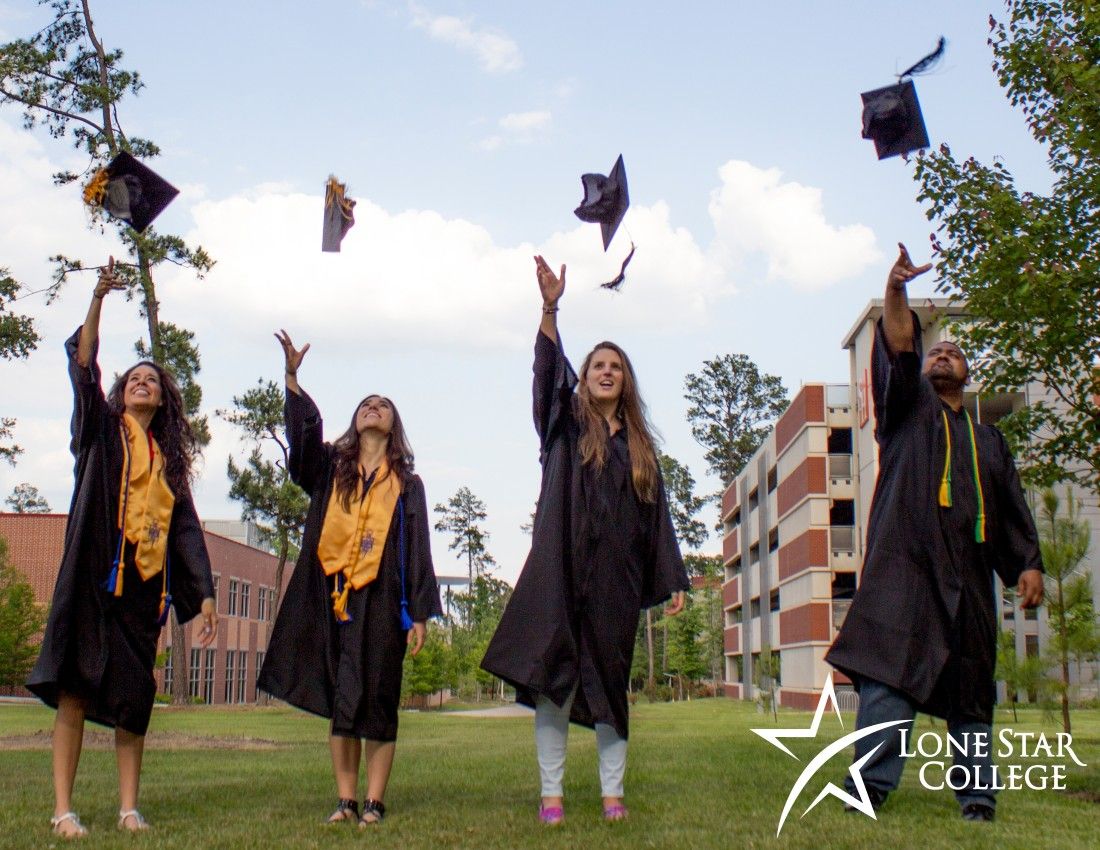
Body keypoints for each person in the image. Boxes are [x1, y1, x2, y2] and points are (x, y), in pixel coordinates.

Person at [825, 243, 1044, 822]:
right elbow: (898, 343)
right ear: (923, 368)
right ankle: (867, 790)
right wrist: (896, 291)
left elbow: (1014, 514)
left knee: (972, 693)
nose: (943, 354)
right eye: (935, 350)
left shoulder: (990, 442)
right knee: (888, 687)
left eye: (953, 352)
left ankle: (977, 799)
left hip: (968, 584)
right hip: (905, 575)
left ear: (967, 374)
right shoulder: (905, 414)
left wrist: (1027, 563)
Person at [481, 256, 690, 825]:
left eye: (614, 366)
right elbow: (546, 374)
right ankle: (551, 796)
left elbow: (658, 517)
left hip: (615, 584)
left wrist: (671, 578)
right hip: (562, 573)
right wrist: (550, 309)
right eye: (596, 364)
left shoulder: (642, 450)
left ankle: (612, 794)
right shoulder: (565, 426)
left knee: (610, 687)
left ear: (625, 382)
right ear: (586, 375)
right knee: (554, 685)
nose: (604, 371)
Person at [27, 259, 218, 838]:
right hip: (91, 578)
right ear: (120, 391)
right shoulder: (100, 433)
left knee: (134, 698)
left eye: (152, 380)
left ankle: (128, 807)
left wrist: (204, 597)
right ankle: (63, 809)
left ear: (163, 400)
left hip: (141, 589)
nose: (143, 382)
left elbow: (185, 532)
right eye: (134, 377)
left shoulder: (168, 466)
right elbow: (83, 369)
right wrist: (98, 299)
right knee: (75, 692)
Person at [258, 330, 442, 827]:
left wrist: (420, 611)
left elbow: (419, 548)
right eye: (366, 404)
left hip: (384, 598)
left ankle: (376, 801)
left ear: (393, 424)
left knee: (379, 693)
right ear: (355, 420)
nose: (373, 409)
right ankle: (345, 799)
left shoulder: (408, 484)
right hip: (332, 595)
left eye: (383, 406)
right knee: (343, 696)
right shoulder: (330, 470)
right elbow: (300, 449)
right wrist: (293, 379)